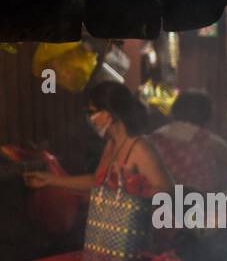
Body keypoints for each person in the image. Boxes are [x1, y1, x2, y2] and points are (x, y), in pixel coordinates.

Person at [24, 81, 172, 200]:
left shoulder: (139, 147)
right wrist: (50, 180)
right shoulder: (111, 144)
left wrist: (128, 199)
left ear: (110, 113)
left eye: (92, 112)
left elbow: (167, 193)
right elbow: (96, 182)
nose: (90, 119)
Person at [152, 90, 227, 192]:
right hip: (201, 205)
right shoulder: (210, 142)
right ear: (208, 114)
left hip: (161, 203)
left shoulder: (156, 136)